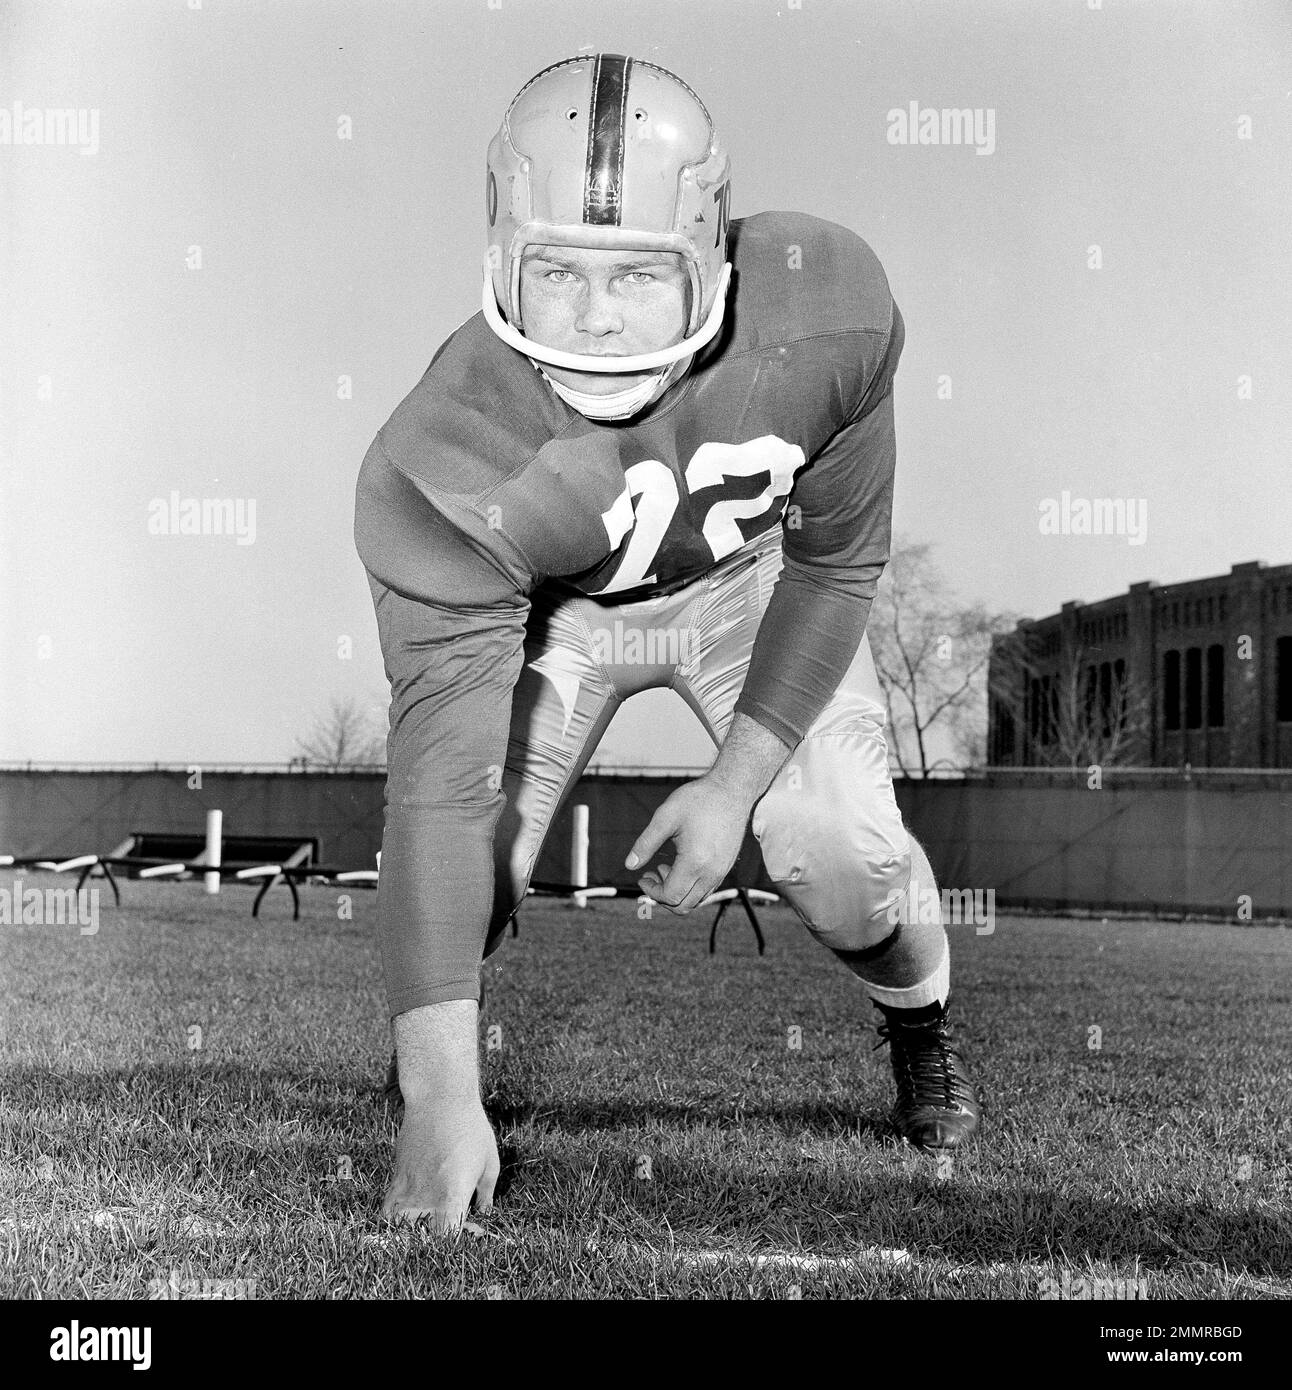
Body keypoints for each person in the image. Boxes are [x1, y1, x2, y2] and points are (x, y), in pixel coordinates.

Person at [355, 53, 981, 1228]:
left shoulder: (826, 307)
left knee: (835, 849)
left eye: (639, 272)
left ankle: (921, 1025)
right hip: (560, 610)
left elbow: (836, 560)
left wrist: (736, 785)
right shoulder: (438, 461)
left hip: (742, 586)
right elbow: (435, 790)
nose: (595, 318)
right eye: (557, 271)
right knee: (472, 858)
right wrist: (439, 1104)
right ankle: (435, 1076)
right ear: (500, 253)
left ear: (712, 255)